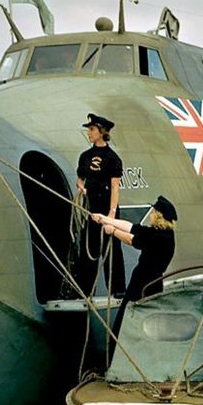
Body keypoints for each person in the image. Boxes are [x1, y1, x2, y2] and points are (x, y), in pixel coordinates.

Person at [93, 195, 178, 345]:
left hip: (143, 282)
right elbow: (131, 227)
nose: (151, 215)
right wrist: (105, 219)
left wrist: (112, 231)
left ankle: (119, 350)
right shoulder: (166, 235)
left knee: (128, 317)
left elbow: (131, 239)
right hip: (155, 282)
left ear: (158, 216)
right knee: (151, 319)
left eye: (153, 212)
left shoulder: (157, 236)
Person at [75, 113, 125, 296]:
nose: (88, 132)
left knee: (111, 250)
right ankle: (85, 291)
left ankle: (117, 290)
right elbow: (80, 179)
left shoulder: (113, 158)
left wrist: (111, 214)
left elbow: (115, 186)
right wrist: (82, 188)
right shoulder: (85, 156)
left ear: (101, 132)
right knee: (89, 248)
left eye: (92, 129)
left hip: (107, 206)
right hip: (91, 206)